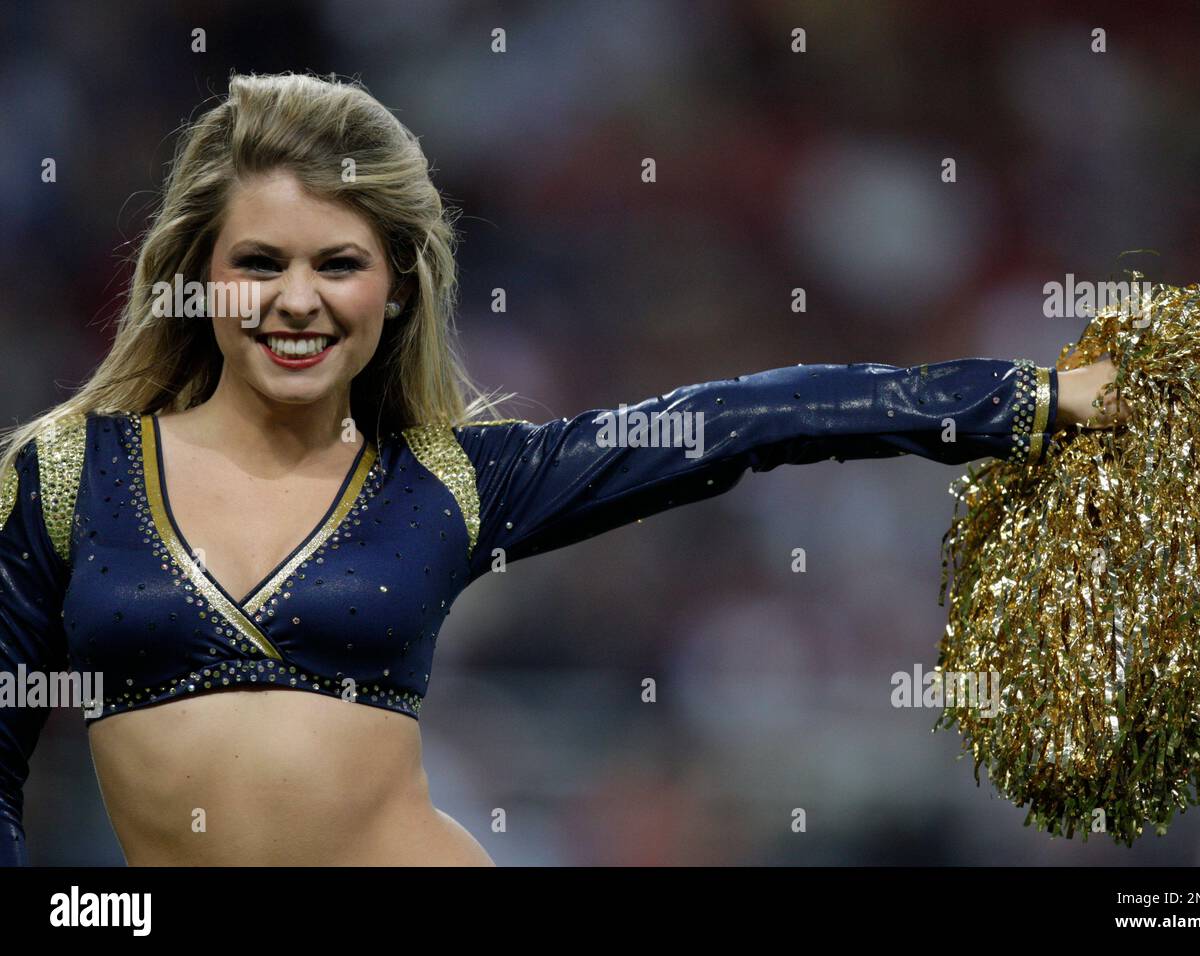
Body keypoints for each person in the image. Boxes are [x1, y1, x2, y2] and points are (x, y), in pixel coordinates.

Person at [0, 73, 1124, 866]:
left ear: (394, 289)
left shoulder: (447, 484)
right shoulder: (63, 476)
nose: (299, 298)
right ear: (197, 271)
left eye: (339, 263)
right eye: (261, 261)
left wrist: (1023, 400)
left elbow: (743, 422)